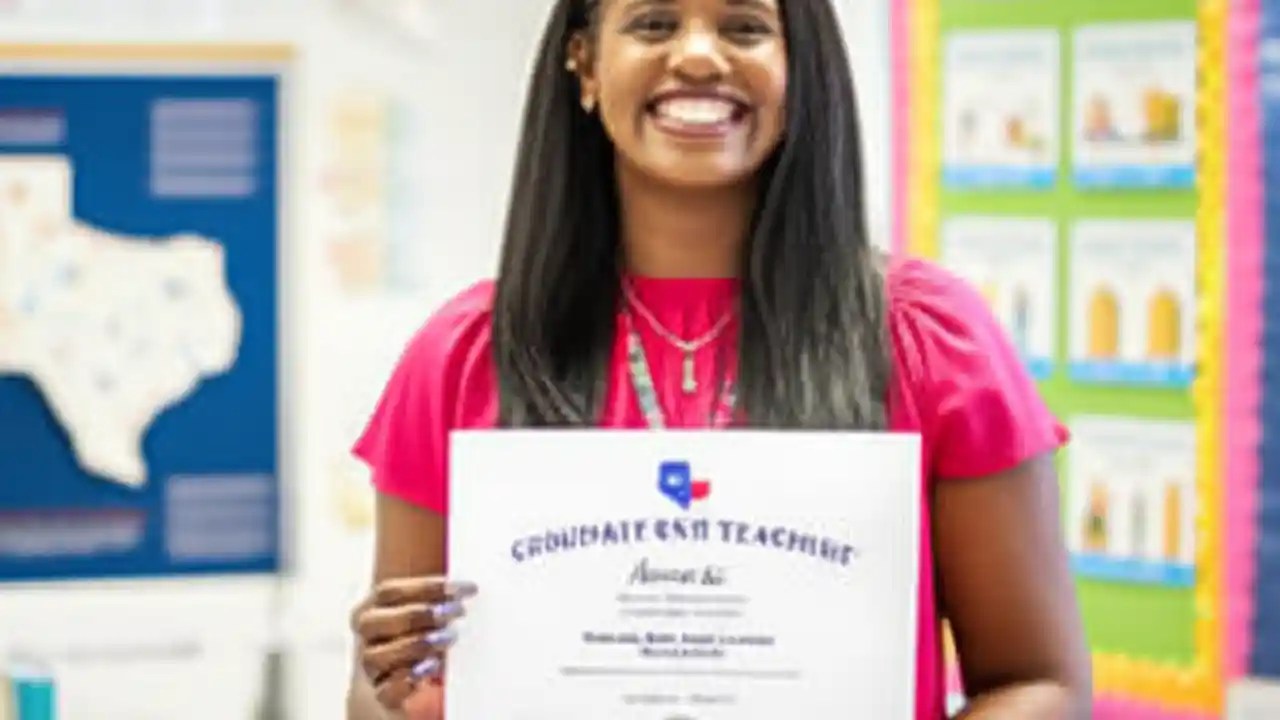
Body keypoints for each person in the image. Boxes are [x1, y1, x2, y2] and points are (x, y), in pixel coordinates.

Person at [345, 0, 1092, 718]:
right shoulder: (464, 356)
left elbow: (1040, 684)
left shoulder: (929, 340)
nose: (699, 55)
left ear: (803, 69)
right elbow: (379, 700)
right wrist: (397, 693)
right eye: (653, 23)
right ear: (584, 63)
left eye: (745, 27)